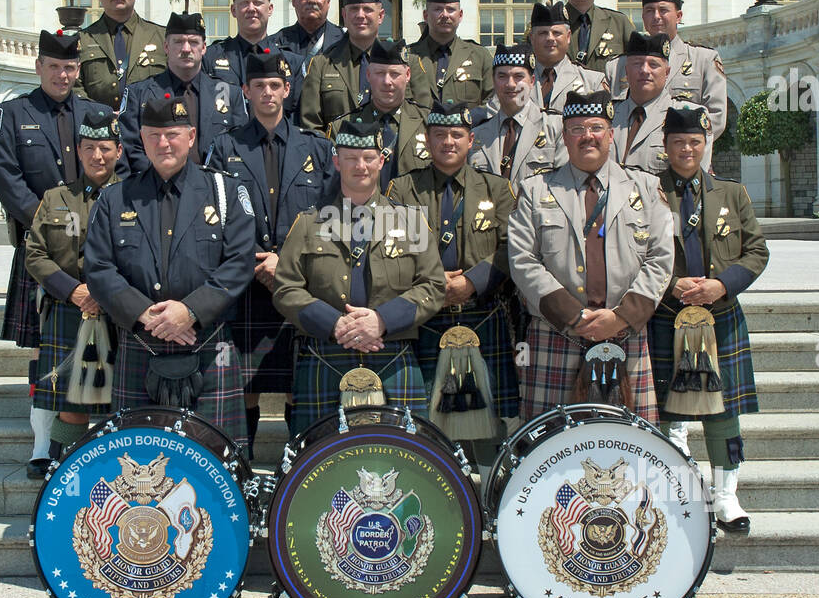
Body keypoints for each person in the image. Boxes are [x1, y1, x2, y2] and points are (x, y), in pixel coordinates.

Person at [83, 95, 255, 447]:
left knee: (217, 460)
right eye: (153, 135)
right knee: (138, 464)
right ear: (140, 139)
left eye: (173, 134)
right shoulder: (116, 198)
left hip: (208, 345)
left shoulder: (225, 190)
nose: (163, 143)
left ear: (191, 136)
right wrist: (145, 314)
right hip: (141, 344)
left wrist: (189, 311)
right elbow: (98, 267)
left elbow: (239, 262)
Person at [508, 90, 674, 425]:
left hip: (626, 333)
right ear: (564, 138)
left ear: (611, 134)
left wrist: (620, 318)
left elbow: (660, 259)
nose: (588, 136)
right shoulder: (535, 190)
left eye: (596, 127)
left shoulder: (645, 187)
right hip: (557, 334)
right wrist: (573, 316)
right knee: (549, 447)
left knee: (631, 448)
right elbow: (522, 260)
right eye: (577, 129)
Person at [0, 29, 117, 465]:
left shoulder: (97, 113)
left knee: (95, 358)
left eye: (69, 67)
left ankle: (89, 443)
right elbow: (8, 181)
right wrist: (54, 223)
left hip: (100, 255)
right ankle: (43, 446)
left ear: (78, 69)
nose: (62, 74)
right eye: (54, 66)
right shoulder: (12, 113)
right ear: (39, 67)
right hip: (45, 249)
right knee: (48, 356)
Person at [272, 118, 445, 436]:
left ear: (382, 160)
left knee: (403, 456)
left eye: (368, 158)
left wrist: (381, 320)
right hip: (325, 353)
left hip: (392, 353)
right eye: (351, 157)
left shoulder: (412, 222)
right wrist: (334, 323)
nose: (360, 166)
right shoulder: (309, 223)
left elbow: (433, 285)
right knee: (316, 457)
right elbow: (285, 287)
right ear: (337, 161)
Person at [208, 49, 339, 458]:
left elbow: (330, 213)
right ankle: (242, 464)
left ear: (287, 90)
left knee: (295, 383)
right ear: (245, 91)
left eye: (275, 86)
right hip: (244, 285)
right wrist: (252, 259)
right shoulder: (224, 146)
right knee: (244, 384)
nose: (267, 93)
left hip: (299, 280)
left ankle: (297, 462)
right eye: (259, 86)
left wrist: (285, 258)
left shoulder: (315, 149)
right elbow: (213, 213)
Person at [647, 103, 768, 533]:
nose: (686, 149)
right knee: (667, 410)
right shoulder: (646, 192)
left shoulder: (731, 193)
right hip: (666, 313)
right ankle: (674, 492)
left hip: (719, 314)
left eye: (694, 142)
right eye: (678, 142)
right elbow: (632, 250)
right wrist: (670, 284)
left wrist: (722, 285)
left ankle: (726, 496)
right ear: (665, 146)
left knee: (723, 410)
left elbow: (757, 251)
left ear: (706, 143)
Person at [386, 102, 519, 462]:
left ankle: (489, 491)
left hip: (483, 316)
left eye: (456, 135)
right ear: (426, 140)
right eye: (440, 135)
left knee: (490, 421)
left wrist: (473, 282)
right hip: (424, 319)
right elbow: (391, 246)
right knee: (427, 420)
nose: (448, 142)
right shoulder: (401, 189)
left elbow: (512, 247)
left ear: (472, 140)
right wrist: (433, 283)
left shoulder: (498, 189)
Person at [23, 109, 123, 477]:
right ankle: (65, 459)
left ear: (120, 151)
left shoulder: (136, 197)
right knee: (69, 398)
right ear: (78, 151)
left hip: (119, 314)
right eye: (90, 148)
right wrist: (73, 291)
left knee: (113, 399)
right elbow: (35, 254)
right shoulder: (55, 198)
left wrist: (107, 294)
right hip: (69, 308)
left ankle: (111, 465)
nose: (98, 156)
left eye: (105, 148)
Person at [602, 0, 726, 150]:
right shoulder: (618, 65)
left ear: (679, 16)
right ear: (643, 16)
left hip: (680, 157)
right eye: (649, 11)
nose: (656, 16)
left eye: (663, 10)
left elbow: (716, 119)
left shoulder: (703, 60)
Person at [119, 12, 246, 172]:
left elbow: (240, 148)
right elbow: (130, 148)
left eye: (193, 42)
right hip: (155, 189)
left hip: (213, 188)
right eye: (178, 42)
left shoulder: (228, 93)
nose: (186, 49)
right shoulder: (139, 93)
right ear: (166, 47)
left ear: (204, 48)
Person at [299, 0, 431, 132]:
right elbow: (311, 127)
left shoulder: (408, 63)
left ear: (381, 16)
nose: (360, 15)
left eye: (367, 9)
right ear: (344, 15)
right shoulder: (322, 65)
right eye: (354, 9)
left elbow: (425, 117)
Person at [203, 0, 306, 122]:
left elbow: (299, 118)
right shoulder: (211, 58)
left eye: (257, 2)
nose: (251, 8)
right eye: (244, 3)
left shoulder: (292, 62)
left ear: (270, 9)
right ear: (233, 10)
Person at [333, 38, 432, 188]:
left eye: (394, 74)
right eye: (379, 73)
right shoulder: (342, 127)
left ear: (408, 75)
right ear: (368, 75)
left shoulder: (429, 124)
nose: (387, 81)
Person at [74, 0, 166, 110]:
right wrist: (101, 114)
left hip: (150, 129)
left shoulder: (162, 37)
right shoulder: (82, 40)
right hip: (99, 128)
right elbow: (74, 87)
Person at [468, 42, 567, 185]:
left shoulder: (556, 128)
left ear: (532, 81)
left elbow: (562, 186)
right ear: (493, 81)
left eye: (518, 76)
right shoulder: (477, 135)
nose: (510, 84)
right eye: (502, 76)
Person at [610, 31, 703, 175]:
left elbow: (694, 178)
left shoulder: (688, 116)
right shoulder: (607, 116)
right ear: (626, 72)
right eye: (637, 64)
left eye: (653, 65)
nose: (645, 70)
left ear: (667, 73)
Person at [408, 0, 494, 108]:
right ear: (425, 15)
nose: (445, 15)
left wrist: (466, 122)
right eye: (437, 9)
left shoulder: (480, 56)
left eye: (450, 9)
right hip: (420, 127)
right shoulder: (409, 56)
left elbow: (493, 99)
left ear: (460, 15)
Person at [529, 1, 601, 113]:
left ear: (568, 37)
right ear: (532, 38)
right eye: (543, 33)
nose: (550, 38)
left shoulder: (592, 81)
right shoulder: (515, 81)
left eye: (556, 33)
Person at [275, 0, 344, 63]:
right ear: (294, 0)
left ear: (328, 2)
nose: (312, 0)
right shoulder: (277, 42)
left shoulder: (345, 41)